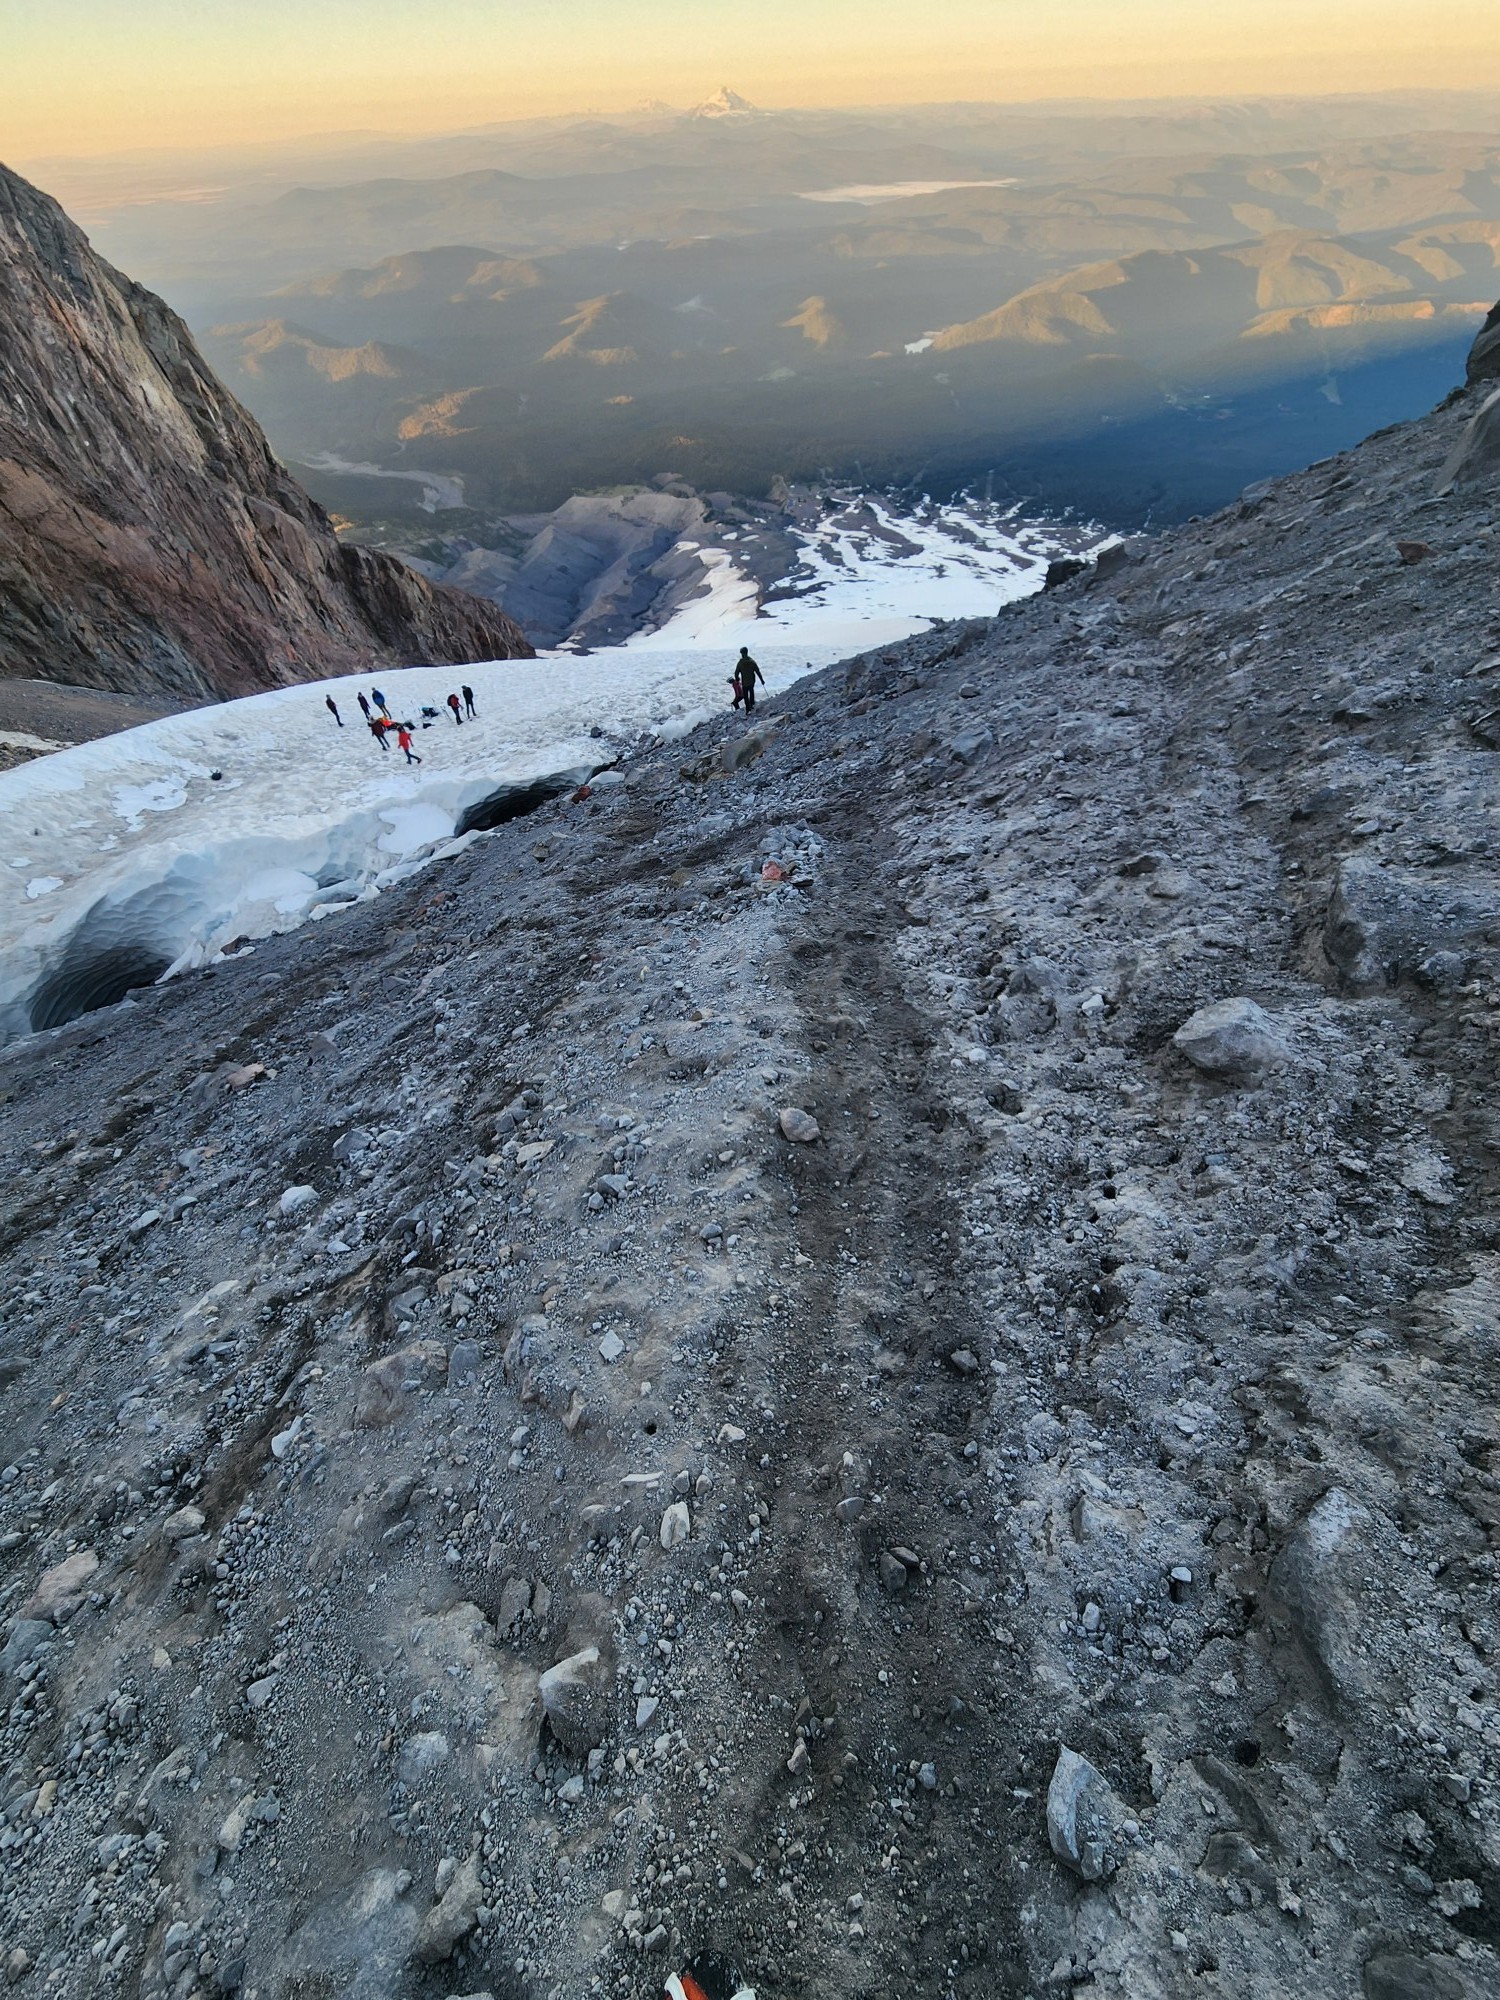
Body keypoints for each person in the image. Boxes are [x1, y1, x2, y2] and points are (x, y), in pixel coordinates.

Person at [736, 646, 764, 713]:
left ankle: (748, 709)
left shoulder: (740, 663)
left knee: (745, 695)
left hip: (744, 682)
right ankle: (752, 705)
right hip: (751, 681)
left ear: (742, 653)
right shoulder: (752, 662)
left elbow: (736, 672)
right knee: (751, 692)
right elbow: (757, 671)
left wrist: (737, 679)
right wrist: (761, 680)